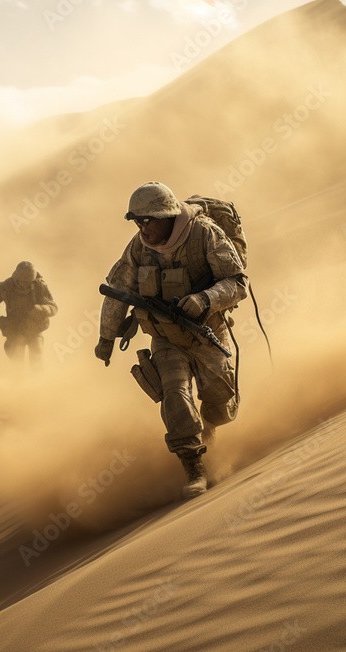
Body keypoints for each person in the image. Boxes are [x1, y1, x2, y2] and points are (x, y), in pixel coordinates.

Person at [95, 182, 247, 498]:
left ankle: (210, 430)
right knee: (175, 397)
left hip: (208, 334)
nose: (142, 227)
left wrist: (206, 298)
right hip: (165, 340)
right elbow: (117, 291)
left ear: (167, 215)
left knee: (220, 401)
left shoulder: (204, 234)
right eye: (137, 221)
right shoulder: (138, 248)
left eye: (148, 220)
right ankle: (194, 468)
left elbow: (238, 281)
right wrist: (106, 338)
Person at [0, 261, 58, 369]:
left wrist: (42, 309)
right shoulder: (6, 287)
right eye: (23, 282)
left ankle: (37, 382)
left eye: (29, 282)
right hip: (15, 329)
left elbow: (53, 307)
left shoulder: (39, 286)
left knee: (36, 355)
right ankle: (18, 382)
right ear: (16, 278)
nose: (26, 284)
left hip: (34, 329)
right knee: (16, 359)